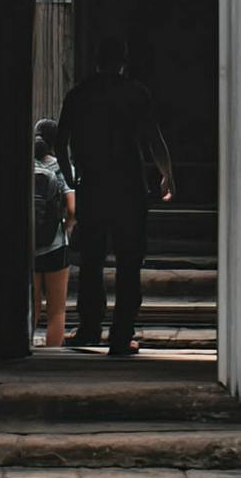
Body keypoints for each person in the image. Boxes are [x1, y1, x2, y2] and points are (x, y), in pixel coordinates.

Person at [60, 31, 166, 359]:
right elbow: (154, 140)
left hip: (92, 183)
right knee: (129, 262)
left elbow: (60, 142)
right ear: (123, 61)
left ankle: (90, 327)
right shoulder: (136, 94)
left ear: (96, 60)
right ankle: (121, 336)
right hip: (129, 186)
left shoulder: (79, 95)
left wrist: (70, 177)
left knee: (92, 261)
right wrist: (167, 176)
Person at [24, 124, 80, 353]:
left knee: (32, 305)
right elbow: (73, 207)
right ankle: (53, 353)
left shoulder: (25, 166)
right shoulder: (61, 168)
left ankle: (26, 348)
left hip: (29, 245)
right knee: (56, 309)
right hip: (55, 244)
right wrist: (68, 226)